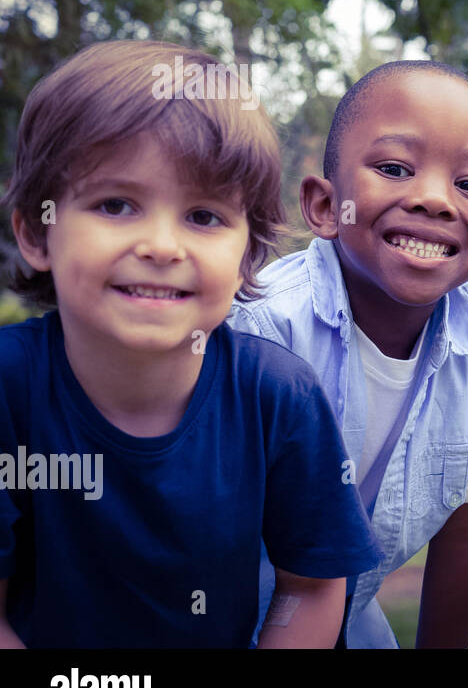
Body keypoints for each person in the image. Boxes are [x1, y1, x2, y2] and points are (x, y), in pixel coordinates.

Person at [0, 41, 379, 648]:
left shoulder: (277, 394)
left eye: (203, 217)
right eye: (116, 204)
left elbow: (310, 584)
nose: (161, 246)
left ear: (247, 253)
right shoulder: (9, 386)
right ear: (35, 233)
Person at [228, 59, 468, 648]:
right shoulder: (260, 327)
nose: (433, 199)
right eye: (395, 168)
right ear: (324, 206)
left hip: (344, 608)